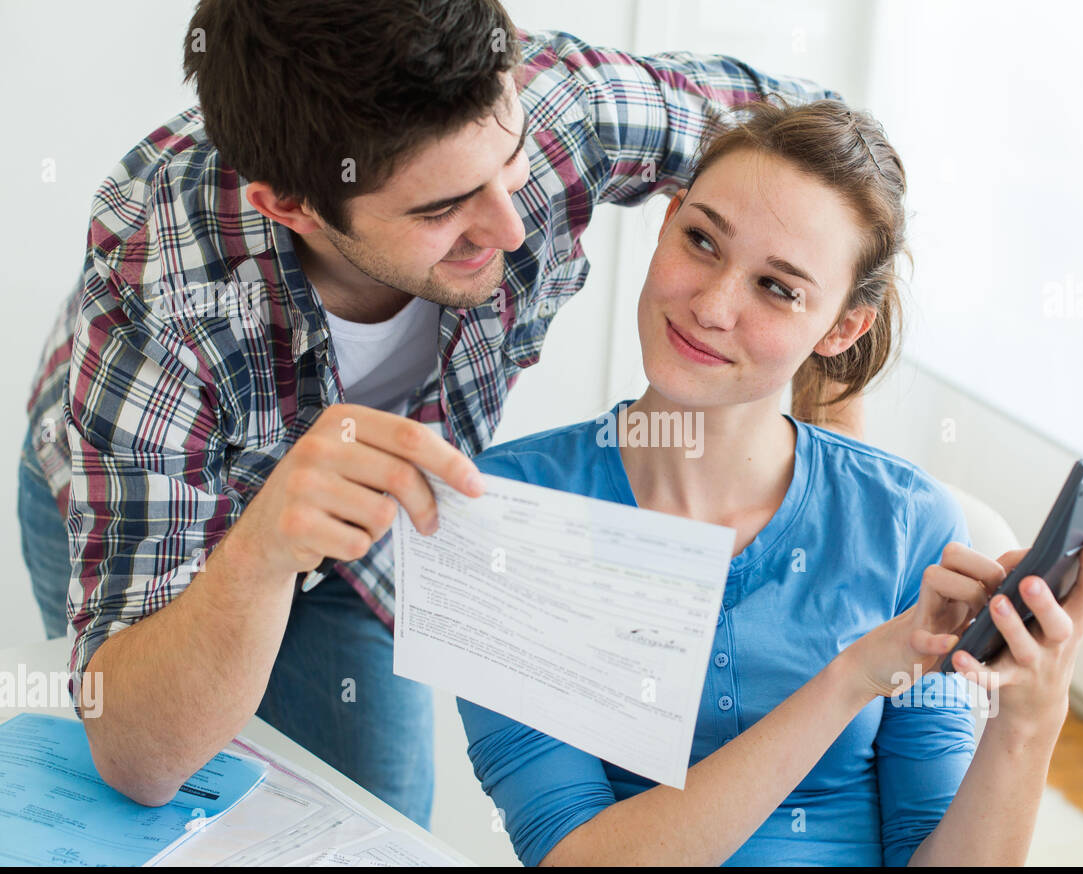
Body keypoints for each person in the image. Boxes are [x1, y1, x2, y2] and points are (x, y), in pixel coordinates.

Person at [16, 0, 844, 826]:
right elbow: (138, 757)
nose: (512, 227)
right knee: (168, 819)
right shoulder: (158, 281)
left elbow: (840, 176)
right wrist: (263, 549)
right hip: (160, 510)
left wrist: (838, 463)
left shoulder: (564, 107)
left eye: (511, 162)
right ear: (291, 206)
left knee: (372, 825)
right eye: (441, 209)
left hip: (373, 529)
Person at [457, 98, 1083, 866]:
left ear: (840, 329)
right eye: (701, 240)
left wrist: (1031, 720)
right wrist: (850, 678)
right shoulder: (506, 510)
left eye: (778, 288)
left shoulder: (910, 524)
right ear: (666, 221)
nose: (711, 305)